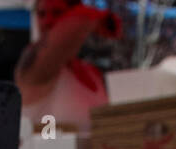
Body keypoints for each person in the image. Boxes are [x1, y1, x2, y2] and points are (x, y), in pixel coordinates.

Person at [16, 1, 121, 133]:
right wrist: (99, 17)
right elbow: (76, 22)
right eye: (41, 14)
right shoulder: (34, 66)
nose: (47, 21)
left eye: (57, 13)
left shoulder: (92, 73)